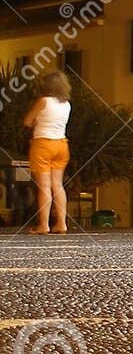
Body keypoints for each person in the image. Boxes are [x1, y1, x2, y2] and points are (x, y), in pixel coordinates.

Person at [22, 71, 72, 235]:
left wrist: (37, 121)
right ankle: (61, 223)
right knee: (58, 185)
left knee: (44, 186)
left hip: (43, 144)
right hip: (62, 145)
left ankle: (43, 225)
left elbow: (27, 121)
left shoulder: (43, 101)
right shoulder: (66, 104)